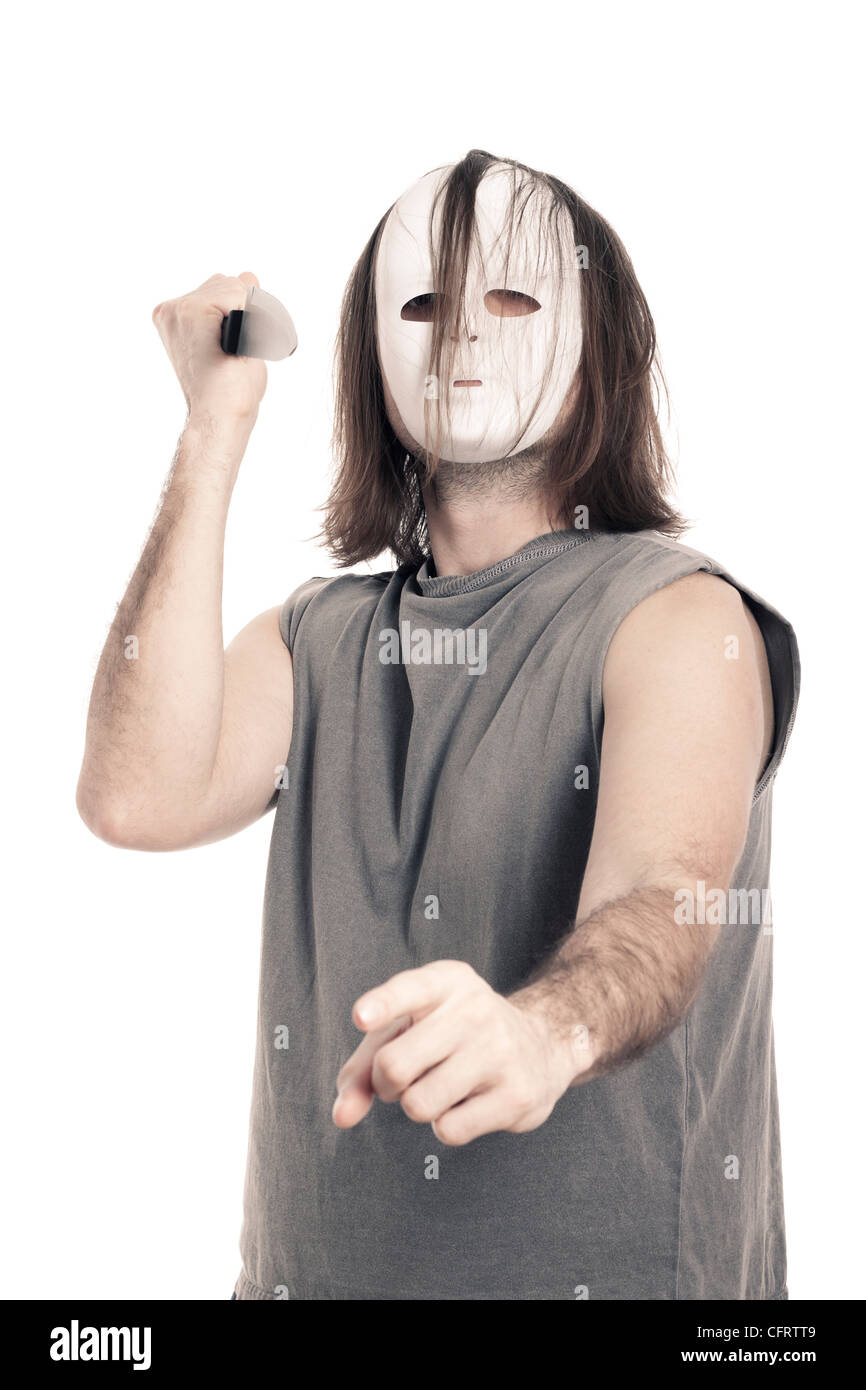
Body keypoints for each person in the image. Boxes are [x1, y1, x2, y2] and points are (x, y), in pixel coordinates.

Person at [76, 148, 800, 1301]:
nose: (463, 332)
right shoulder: (316, 638)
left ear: (595, 347)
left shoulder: (674, 618)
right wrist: (215, 425)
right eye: (423, 301)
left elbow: (667, 894)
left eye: (511, 294)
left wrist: (541, 1033)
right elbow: (134, 795)